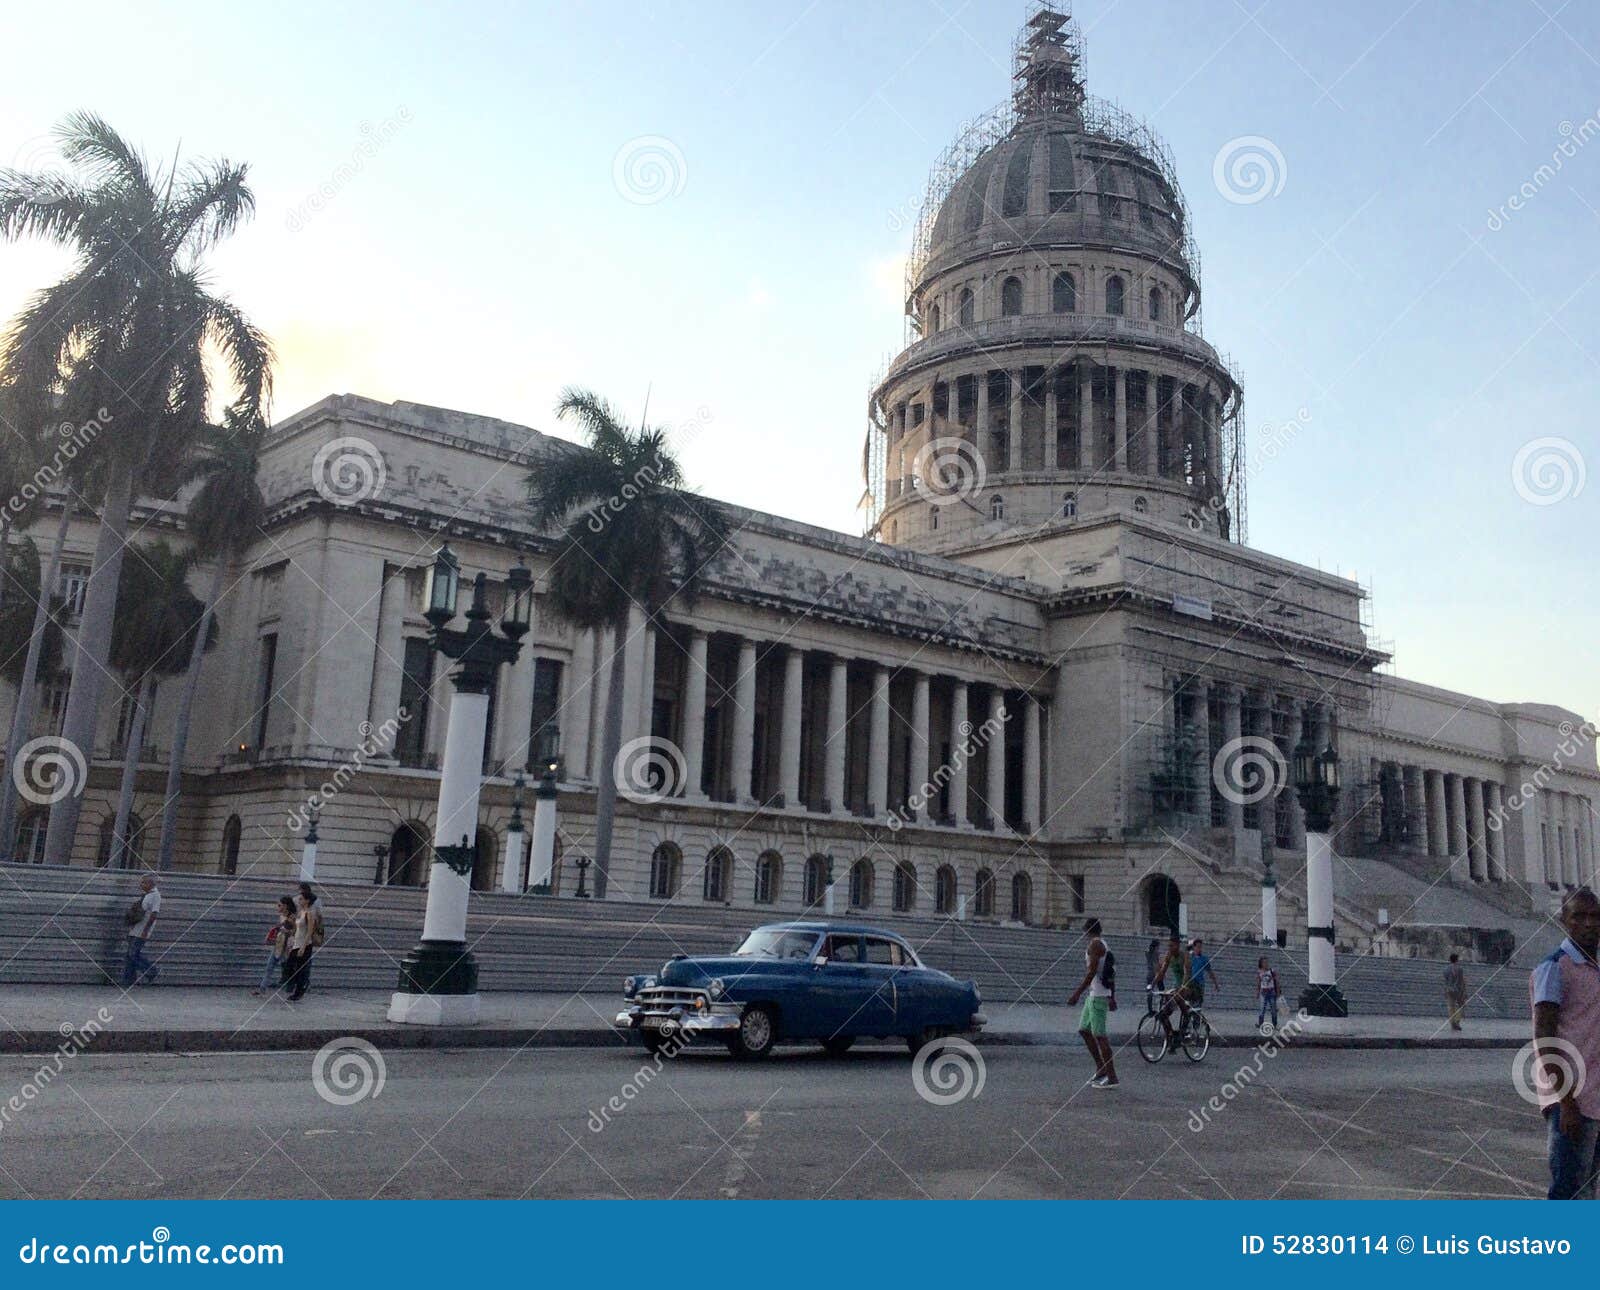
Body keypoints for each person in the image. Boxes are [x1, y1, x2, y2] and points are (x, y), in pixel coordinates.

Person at [1532, 888, 1600, 1199]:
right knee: (1568, 1192)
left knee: (1586, 1190)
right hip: (1572, 1101)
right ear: (1564, 920)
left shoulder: (1593, 969)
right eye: (1579, 916)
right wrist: (1566, 1102)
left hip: (1595, 1100)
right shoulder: (1554, 967)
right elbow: (1544, 1037)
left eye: (1595, 916)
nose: (1588, 923)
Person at [1067, 917, 1118, 1089]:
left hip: (1098, 996)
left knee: (1100, 1036)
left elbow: (1091, 973)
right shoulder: (1102, 944)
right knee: (1084, 1030)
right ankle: (1101, 1068)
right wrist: (1112, 996)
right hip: (1095, 995)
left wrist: (1076, 994)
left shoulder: (1095, 945)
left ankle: (1112, 1077)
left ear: (1087, 931)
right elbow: (1111, 972)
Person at [284, 886, 325, 1003]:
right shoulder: (300, 913)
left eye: (301, 899)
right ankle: (300, 985)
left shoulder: (309, 913)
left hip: (305, 944)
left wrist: (303, 947)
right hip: (297, 943)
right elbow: (297, 929)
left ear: (307, 901)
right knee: (289, 967)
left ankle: (299, 991)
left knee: (300, 968)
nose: (299, 901)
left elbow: (309, 931)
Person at [121, 874, 161, 986]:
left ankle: (151, 971)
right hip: (136, 928)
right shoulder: (146, 895)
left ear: (150, 883)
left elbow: (154, 914)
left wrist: (146, 931)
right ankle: (128, 980)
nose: (141, 885)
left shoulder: (155, 895)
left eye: (143, 882)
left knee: (133, 954)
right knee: (130, 955)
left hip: (142, 929)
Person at [1152, 932, 1193, 1040]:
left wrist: (1183, 986)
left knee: (1174, 1004)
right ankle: (1172, 1035)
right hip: (1176, 986)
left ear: (1178, 945)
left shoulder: (1184, 955)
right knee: (1163, 1014)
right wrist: (1152, 984)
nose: (1170, 948)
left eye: (1172, 946)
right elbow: (1162, 972)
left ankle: (1184, 1028)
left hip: (1188, 985)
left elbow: (1187, 973)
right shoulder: (1169, 955)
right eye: (1169, 946)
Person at [254, 896, 297, 996]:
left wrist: (287, 931)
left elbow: (295, 932)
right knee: (270, 966)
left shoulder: (292, 917)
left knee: (286, 968)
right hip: (279, 944)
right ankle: (262, 988)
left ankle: (292, 987)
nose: (278, 907)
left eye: (279, 905)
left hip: (286, 947)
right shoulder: (282, 916)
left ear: (285, 906)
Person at [1188, 937, 1220, 1007]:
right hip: (1190, 983)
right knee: (1189, 1003)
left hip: (1200, 984)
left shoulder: (1204, 959)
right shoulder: (1190, 958)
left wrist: (1216, 984)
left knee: (1198, 1003)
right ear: (1194, 947)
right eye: (1198, 947)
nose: (1199, 949)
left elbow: (1210, 972)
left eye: (1200, 947)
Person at [1444, 953, 1468, 1031]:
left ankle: (1452, 1022)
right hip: (1458, 990)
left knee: (1451, 1007)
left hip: (1449, 990)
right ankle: (1457, 1022)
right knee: (1460, 1006)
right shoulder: (1460, 969)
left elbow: (1446, 980)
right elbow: (1461, 980)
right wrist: (1464, 990)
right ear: (1457, 960)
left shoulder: (1446, 969)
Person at [1256, 956, 1280, 1030]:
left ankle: (1274, 1024)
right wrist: (1257, 992)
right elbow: (1258, 983)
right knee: (1262, 1009)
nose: (1266, 964)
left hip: (1271, 992)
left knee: (1273, 1010)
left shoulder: (1272, 971)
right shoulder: (1259, 972)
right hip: (1263, 992)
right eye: (1264, 962)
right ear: (1261, 963)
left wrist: (1278, 991)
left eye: (1267, 962)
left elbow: (1276, 981)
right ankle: (1260, 1023)